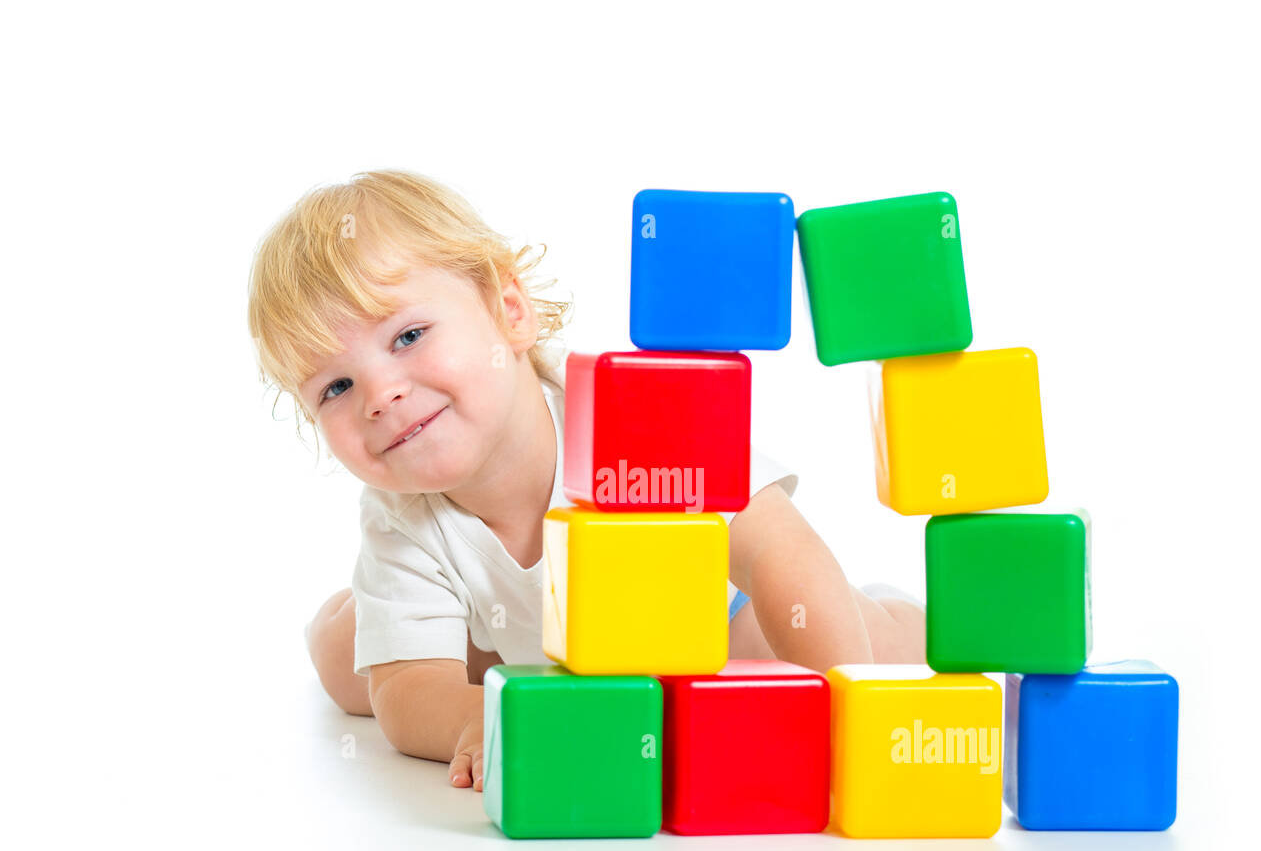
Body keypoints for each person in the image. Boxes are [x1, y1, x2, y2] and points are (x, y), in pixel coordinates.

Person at [247, 170, 925, 793]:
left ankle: (904, 618)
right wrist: (487, 716)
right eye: (336, 386)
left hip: (719, 619)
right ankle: (348, 623)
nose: (380, 394)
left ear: (509, 311)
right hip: (532, 641)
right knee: (357, 664)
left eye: (408, 336)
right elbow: (406, 692)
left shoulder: (631, 413)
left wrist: (847, 701)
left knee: (842, 642)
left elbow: (777, 548)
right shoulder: (401, 511)